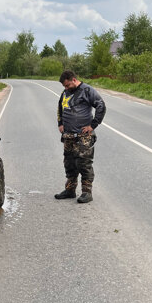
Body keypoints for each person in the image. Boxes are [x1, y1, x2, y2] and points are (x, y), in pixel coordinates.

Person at [55, 70, 106, 203]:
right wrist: (60, 123)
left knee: (84, 164)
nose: (66, 88)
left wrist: (92, 125)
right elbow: (60, 107)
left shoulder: (87, 90)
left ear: (73, 79)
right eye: (64, 86)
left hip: (83, 136)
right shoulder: (65, 92)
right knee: (69, 164)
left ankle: (87, 192)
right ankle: (70, 190)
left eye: (67, 85)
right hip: (68, 136)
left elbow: (101, 106)